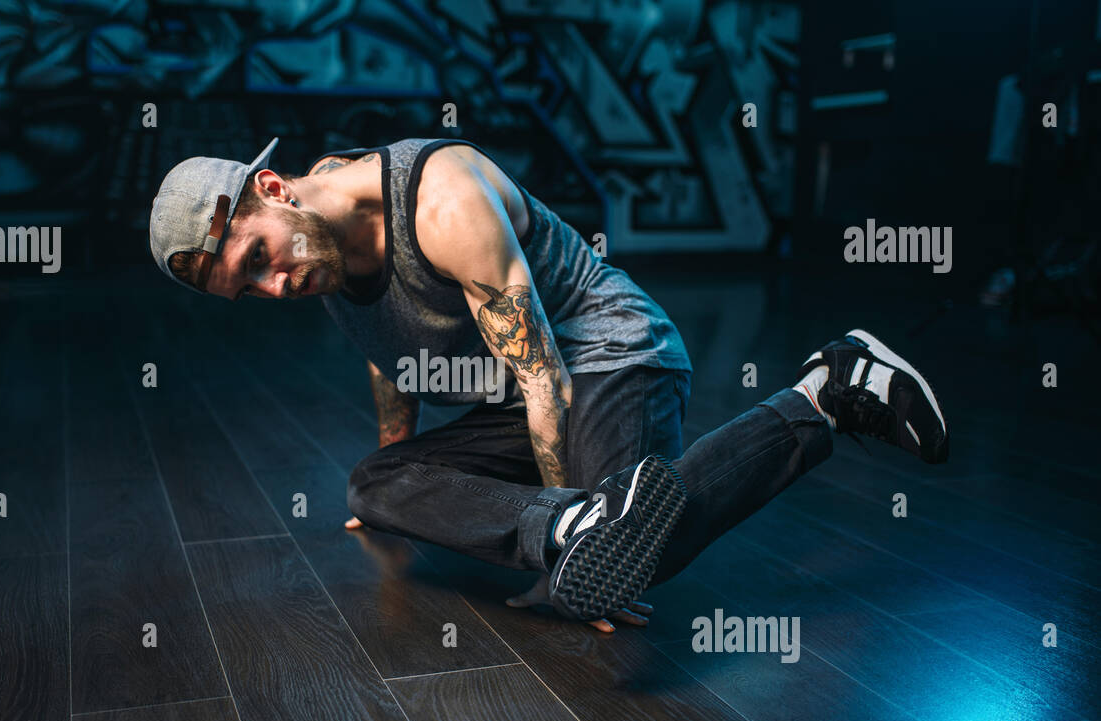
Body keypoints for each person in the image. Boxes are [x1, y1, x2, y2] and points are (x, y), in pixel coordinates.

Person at [149, 137, 949, 631]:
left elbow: (545, 380)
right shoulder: (320, 236)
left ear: (273, 189)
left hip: (607, 357)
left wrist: (565, 530)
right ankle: (583, 529)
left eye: (258, 259)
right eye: (248, 291)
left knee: (629, 556)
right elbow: (379, 336)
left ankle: (828, 388)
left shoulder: (440, 200)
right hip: (521, 399)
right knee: (370, 484)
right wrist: (404, 463)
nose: (275, 288)